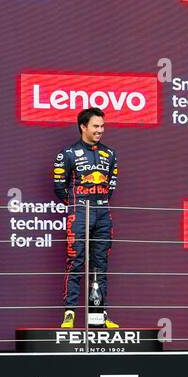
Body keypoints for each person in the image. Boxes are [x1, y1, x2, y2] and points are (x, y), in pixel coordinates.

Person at [54, 108, 119, 329]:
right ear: (83, 126)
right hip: (79, 212)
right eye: (95, 126)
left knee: (100, 265)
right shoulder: (68, 154)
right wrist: (77, 206)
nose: (100, 130)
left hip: (103, 212)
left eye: (102, 126)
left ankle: (97, 316)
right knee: (76, 261)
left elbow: (111, 186)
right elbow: (59, 187)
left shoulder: (110, 154)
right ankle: (69, 313)